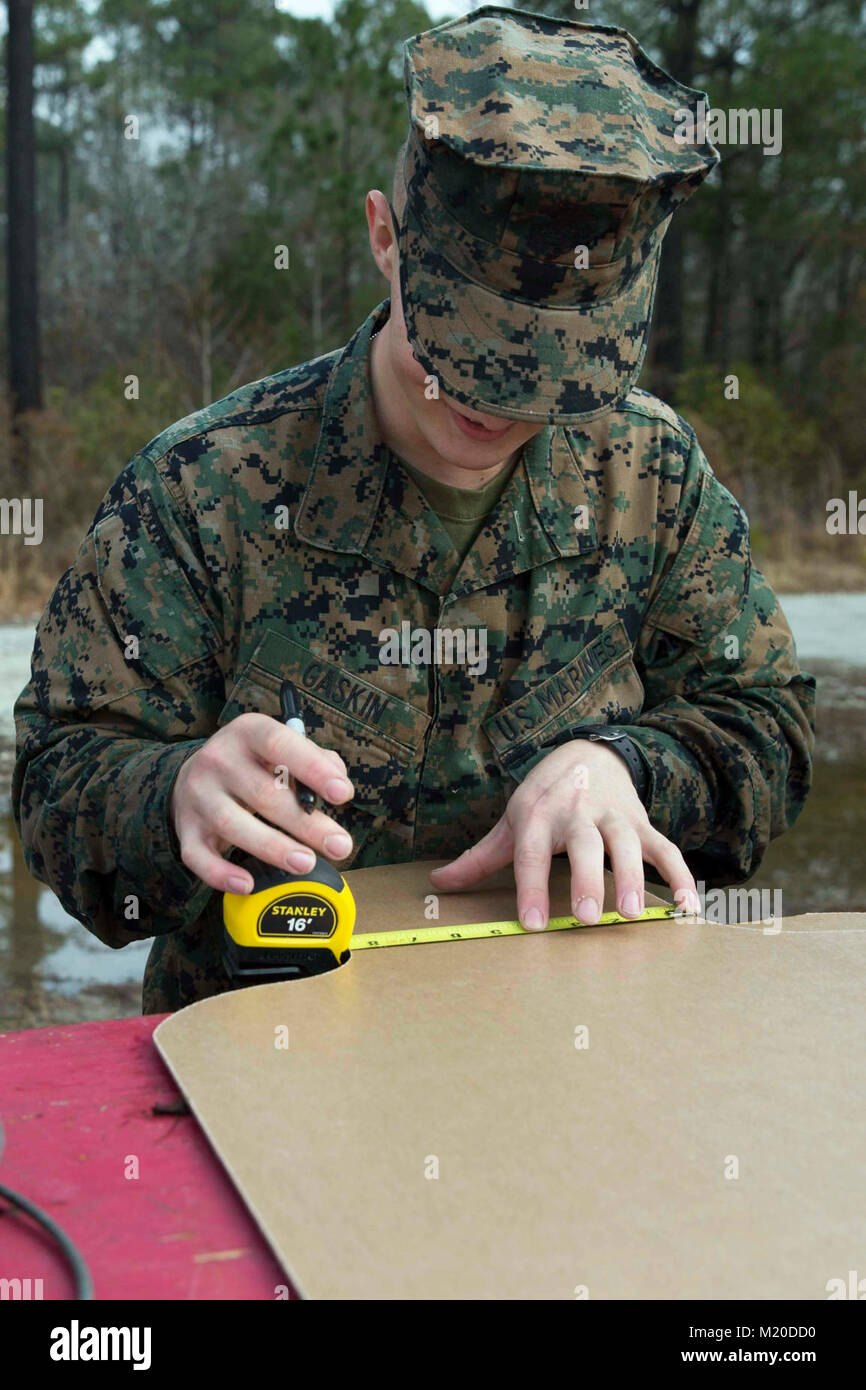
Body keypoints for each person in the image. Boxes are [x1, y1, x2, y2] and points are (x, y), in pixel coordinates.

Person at [13, 7, 815, 1013]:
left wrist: (629, 767)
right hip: (268, 1060)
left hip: (580, 1048)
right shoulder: (201, 488)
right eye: (471, 347)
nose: (502, 403)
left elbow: (768, 722)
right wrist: (174, 797)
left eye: (554, 371)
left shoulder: (650, 475)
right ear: (384, 238)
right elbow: (57, 778)